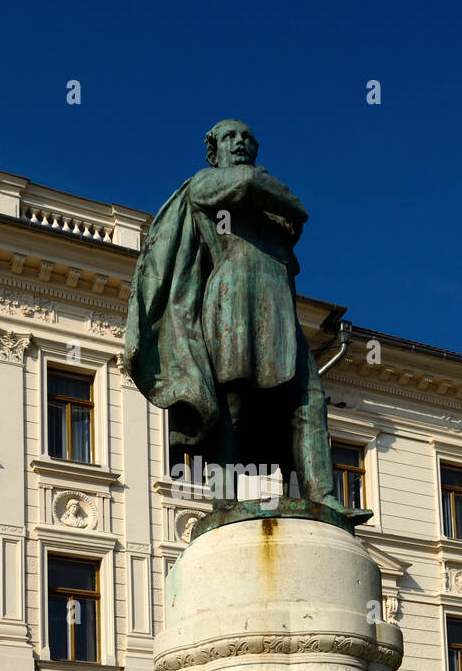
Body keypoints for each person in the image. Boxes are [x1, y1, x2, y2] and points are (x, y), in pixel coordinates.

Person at [124, 119, 345, 509]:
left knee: (309, 399)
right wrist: (265, 186)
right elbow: (254, 187)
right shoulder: (205, 183)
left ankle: (324, 497)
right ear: (213, 151)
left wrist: (274, 194)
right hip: (231, 303)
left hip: (281, 311)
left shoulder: (266, 209)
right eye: (230, 137)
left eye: (247, 138)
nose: (239, 143)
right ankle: (224, 501)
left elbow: (299, 211)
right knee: (233, 404)